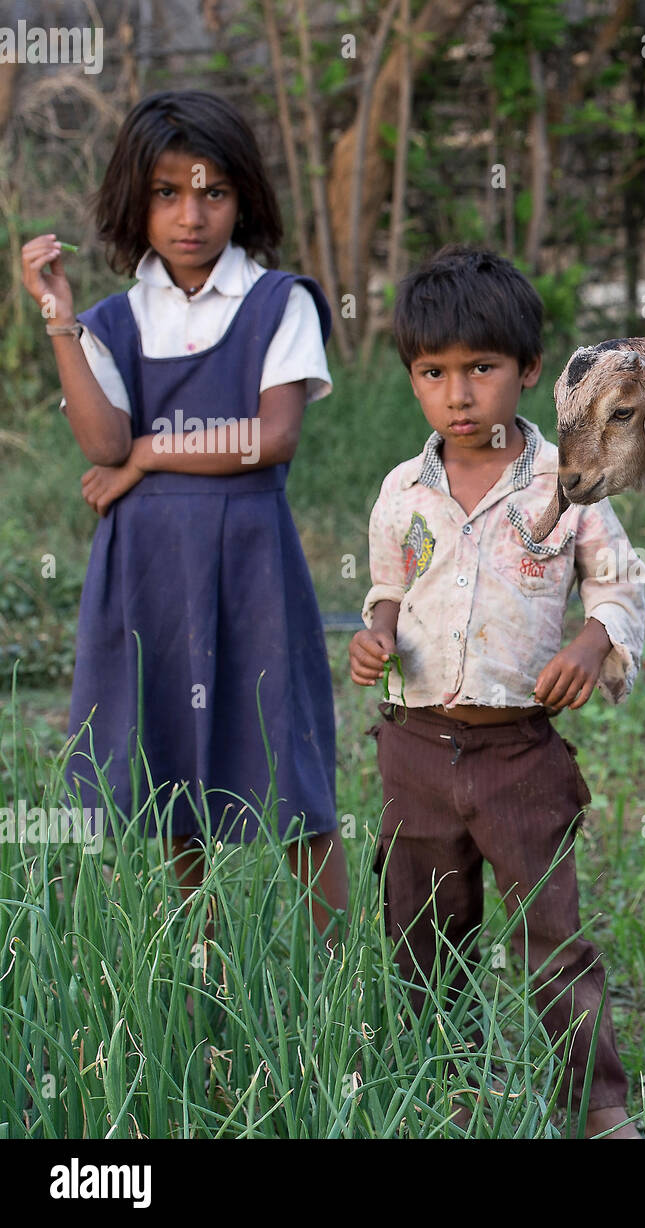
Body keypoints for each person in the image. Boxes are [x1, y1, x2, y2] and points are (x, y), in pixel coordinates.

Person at [19, 90, 347, 935]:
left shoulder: (281, 302)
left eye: (213, 193)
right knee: (169, 771)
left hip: (251, 566)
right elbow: (102, 442)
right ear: (136, 201)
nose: (191, 216)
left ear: (245, 199)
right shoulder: (111, 322)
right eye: (167, 193)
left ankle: (344, 973)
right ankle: (197, 973)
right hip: (148, 573)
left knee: (288, 762)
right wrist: (58, 318)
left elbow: (273, 437)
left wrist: (152, 453)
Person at [349, 245, 645, 1138]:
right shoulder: (403, 490)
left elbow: (619, 584)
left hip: (519, 752)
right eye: (433, 373)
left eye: (481, 369)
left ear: (525, 371)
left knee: (551, 936)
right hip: (416, 746)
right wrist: (376, 633)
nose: (459, 393)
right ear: (412, 379)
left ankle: (595, 1105)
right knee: (424, 934)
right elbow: (387, 588)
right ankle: (446, 1082)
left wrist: (594, 644)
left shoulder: (569, 485)